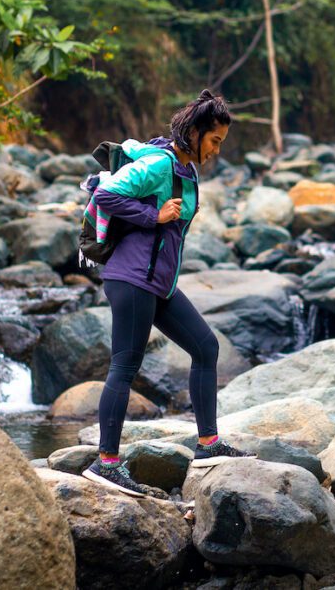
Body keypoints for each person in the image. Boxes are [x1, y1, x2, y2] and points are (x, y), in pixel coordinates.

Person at [81, 90, 254, 497]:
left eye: (221, 144)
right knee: (125, 365)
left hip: (159, 283)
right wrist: (151, 215)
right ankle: (105, 463)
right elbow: (106, 194)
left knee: (206, 348)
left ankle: (208, 445)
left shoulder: (185, 168)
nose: (215, 151)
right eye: (214, 141)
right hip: (132, 279)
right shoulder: (160, 164)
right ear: (195, 132)